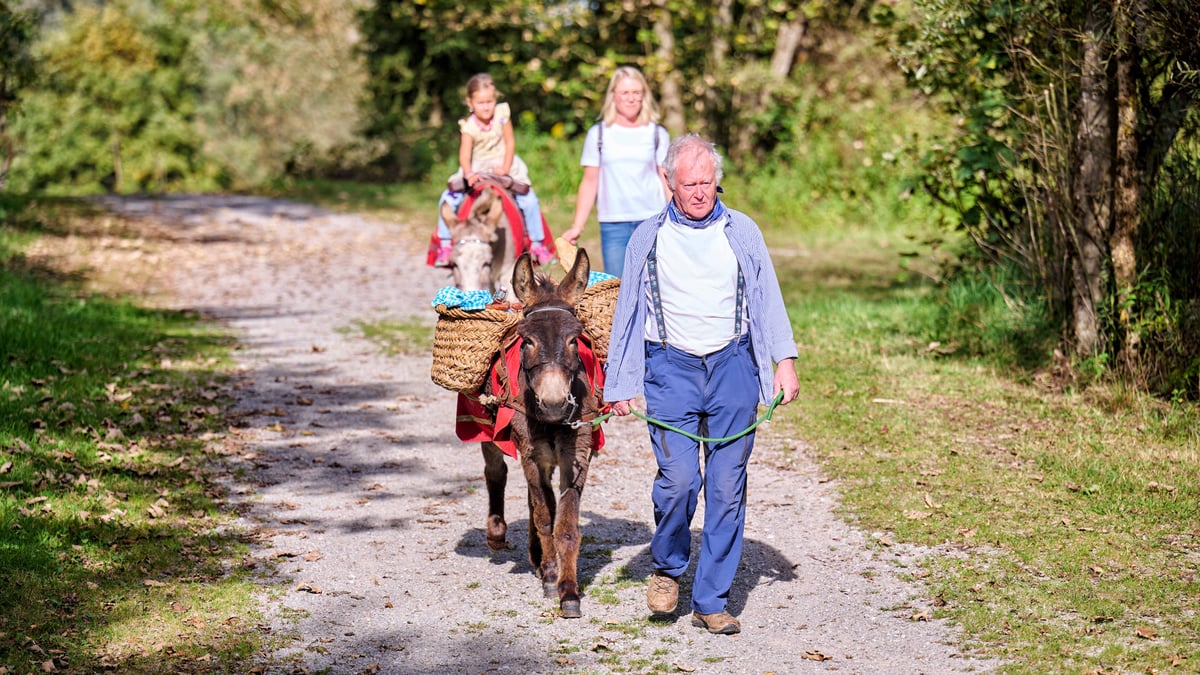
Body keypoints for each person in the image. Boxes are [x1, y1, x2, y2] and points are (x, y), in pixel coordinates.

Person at [603, 134, 800, 635]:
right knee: (679, 482)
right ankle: (668, 566)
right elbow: (627, 316)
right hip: (670, 368)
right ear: (668, 181)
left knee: (728, 487)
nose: (698, 192)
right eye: (689, 182)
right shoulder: (647, 237)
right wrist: (619, 384)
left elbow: (767, 298)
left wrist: (784, 359)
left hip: (733, 366)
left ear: (718, 181)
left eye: (707, 182)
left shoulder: (743, 231)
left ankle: (710, 598)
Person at [433, 73, 551, 267]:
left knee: (529, 200)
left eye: (490, 101)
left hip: (503, 163)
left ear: (495, 100)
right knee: (447, 199)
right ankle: (446, 243)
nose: (486, 107)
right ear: (470, 102)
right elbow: (464, 155)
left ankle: (537, 243)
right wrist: (469, 173)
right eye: (481, 102)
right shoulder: (469, 127)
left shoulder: (502, 116)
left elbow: (510, 143)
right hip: (477, 165)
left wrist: (505, 168)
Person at [561, 66, 670, 276]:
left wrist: (680, 217)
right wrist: (577, 226)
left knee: (655, 285)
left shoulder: (657, 134)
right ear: (614, 96)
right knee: (618, 288)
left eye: (636, 93)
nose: (631, 99)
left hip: (652, 220)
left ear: (644, 96)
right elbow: (590, 181)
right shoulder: (599, 134)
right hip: (613, 223)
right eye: (625, 93)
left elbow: (666, 180)